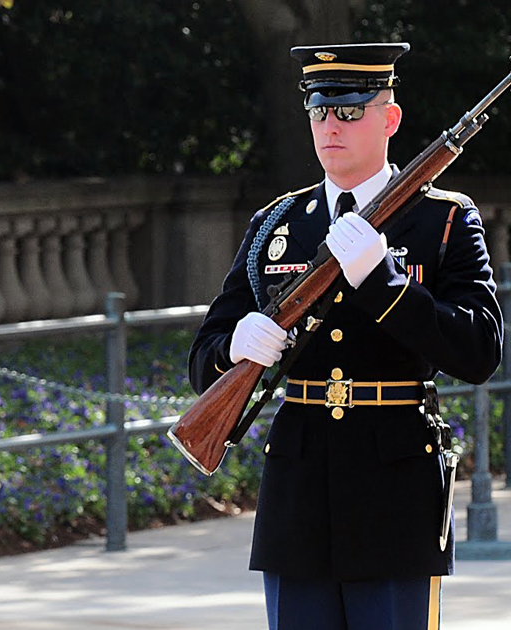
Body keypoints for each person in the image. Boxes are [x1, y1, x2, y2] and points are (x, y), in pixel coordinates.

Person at [189, 42, 502, 630]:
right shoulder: (276, 225)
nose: (331, 125)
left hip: (395, 493)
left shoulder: (444, 220)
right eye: (318, 110)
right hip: (298, 494)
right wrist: (235, 344)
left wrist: (383, 283)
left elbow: (480, 349)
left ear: (390, 118)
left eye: (351, 111)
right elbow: (203, 360)